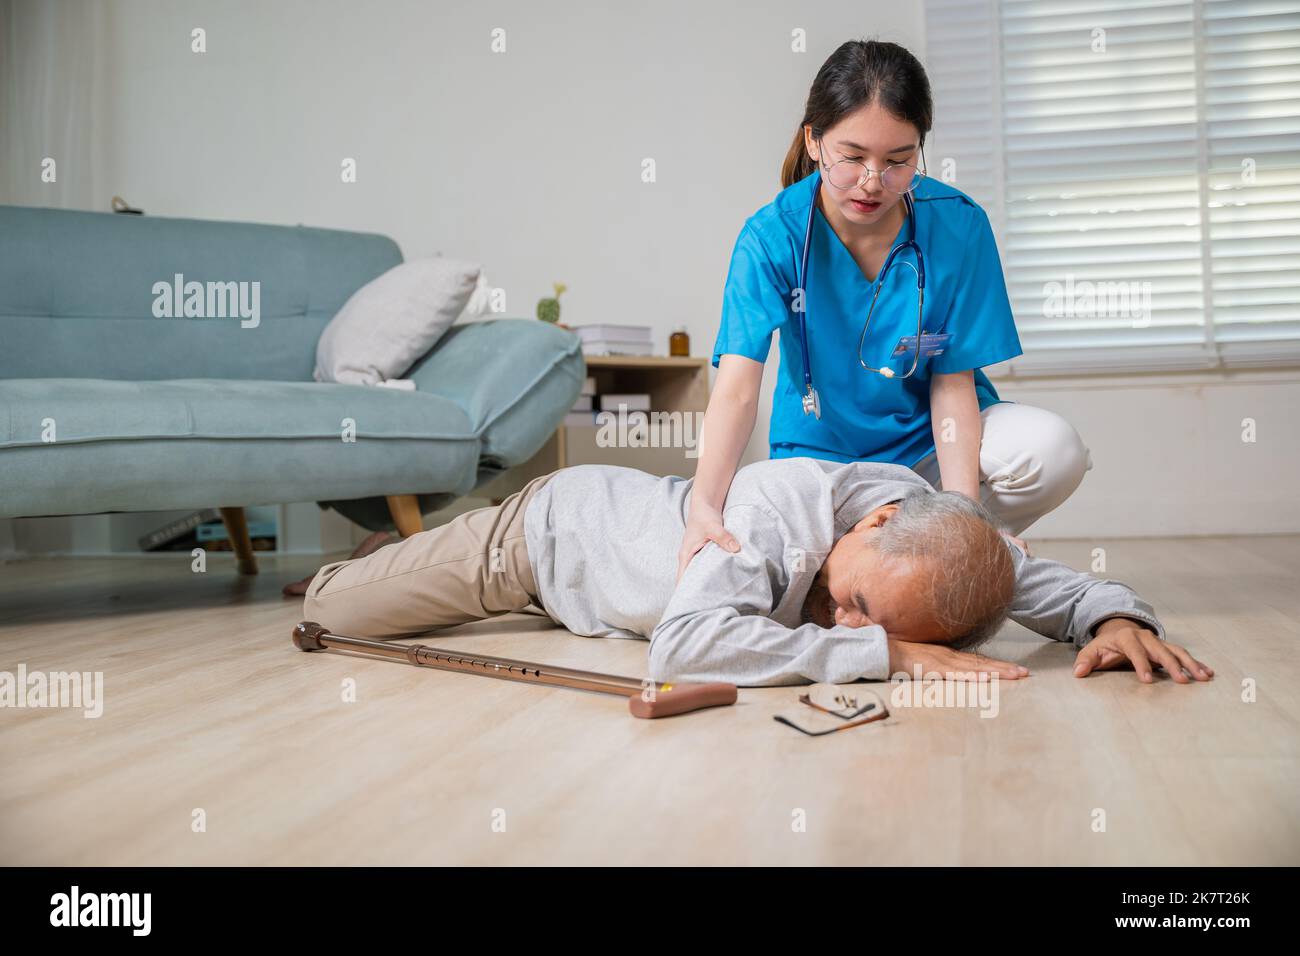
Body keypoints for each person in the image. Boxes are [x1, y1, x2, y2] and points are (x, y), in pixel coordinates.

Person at [680, 39, 1091, 581]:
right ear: (813, 140)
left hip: (929, 452)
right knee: (776, 551)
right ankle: (898, 558)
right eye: (852, 157)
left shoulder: (958, 225)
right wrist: (703, 506)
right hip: (820, 455)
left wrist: (963, 513)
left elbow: (953, 381)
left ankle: (939, 551)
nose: (873, 183)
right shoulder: (771, 235)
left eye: (898, 161)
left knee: (1053, 449)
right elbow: (736, 388)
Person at [301, 459, 1212, 688]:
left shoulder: (955, 538)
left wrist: (1116, 622)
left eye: (875, 627)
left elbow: (1061, 587)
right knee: (335, 609)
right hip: (541, 542)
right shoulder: (778, 512)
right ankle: (386, 554)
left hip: (601, 590)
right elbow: (681, 646)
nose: (845, 621)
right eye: (856, 602)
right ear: (874, 522)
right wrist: (886, 659)